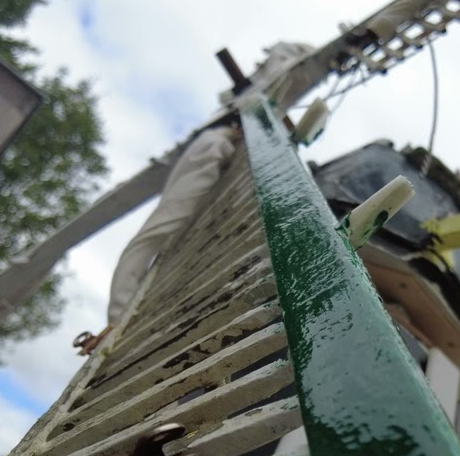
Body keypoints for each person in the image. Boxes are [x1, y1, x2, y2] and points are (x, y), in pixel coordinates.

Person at [73, 42, 313, 355]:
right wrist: (119, 320)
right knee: (165, 223)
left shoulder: (278, 80)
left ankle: (128, 320)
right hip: (221, 141)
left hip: (235, 164)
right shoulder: (219, 137)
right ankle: (119, 321)